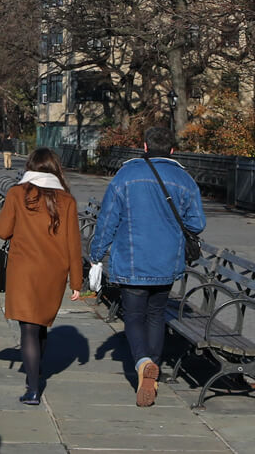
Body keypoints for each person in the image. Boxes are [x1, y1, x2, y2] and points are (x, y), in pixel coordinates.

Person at [88, 127, 206, 408]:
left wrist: (96, 254)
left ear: (144, 147)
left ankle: (143, 364)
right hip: (166, 261)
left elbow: (108, 219)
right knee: (156, 315)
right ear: (172, 150)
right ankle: (152, 368)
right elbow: (197, 223)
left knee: (133, 316)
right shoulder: (184, 179)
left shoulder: (125, 175)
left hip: (132, 260)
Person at [0, 147, 84, 406]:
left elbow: (2, 231)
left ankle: (33, 388)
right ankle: (37, 370)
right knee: (40, 322)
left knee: (28, 328)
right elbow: (74, 244)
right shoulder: (67, 200)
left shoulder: (17, 194)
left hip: (23, 270)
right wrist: (76, 282)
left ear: (30, 167)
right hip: (54, 271)